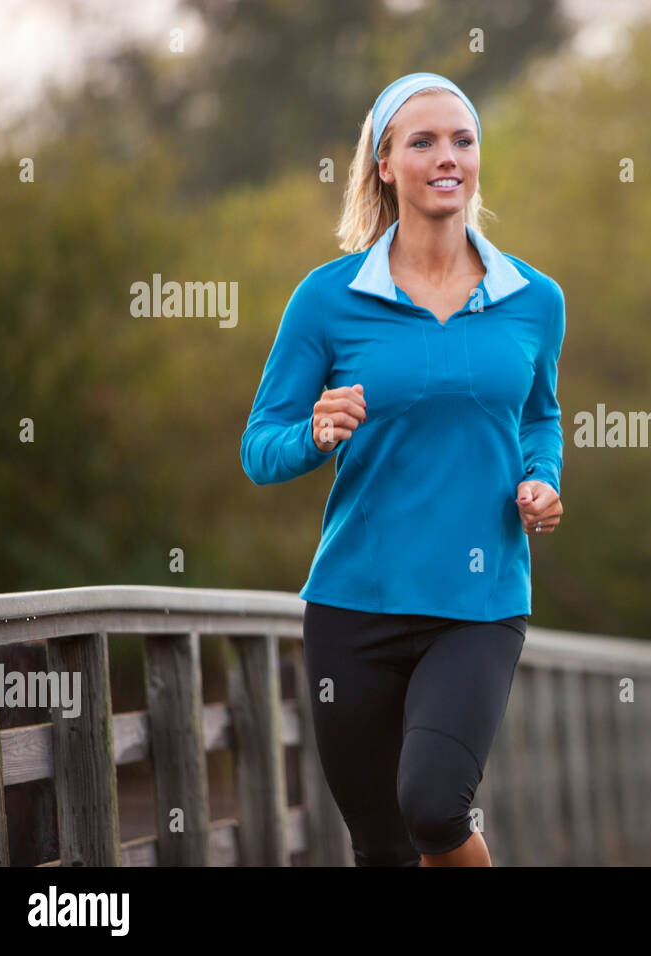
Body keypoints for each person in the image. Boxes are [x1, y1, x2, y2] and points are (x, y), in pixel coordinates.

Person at [240, 72, 566, 867]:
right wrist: (316, 434)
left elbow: (540, 416)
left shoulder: (534, 298)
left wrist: (543, 478)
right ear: (384, 164)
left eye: (462, 139)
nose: (446, 156)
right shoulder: (328, 299)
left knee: (433, 805)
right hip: (354, 605)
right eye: (422, 141)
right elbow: (260, 448)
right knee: (380, 844)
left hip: (479, 601)